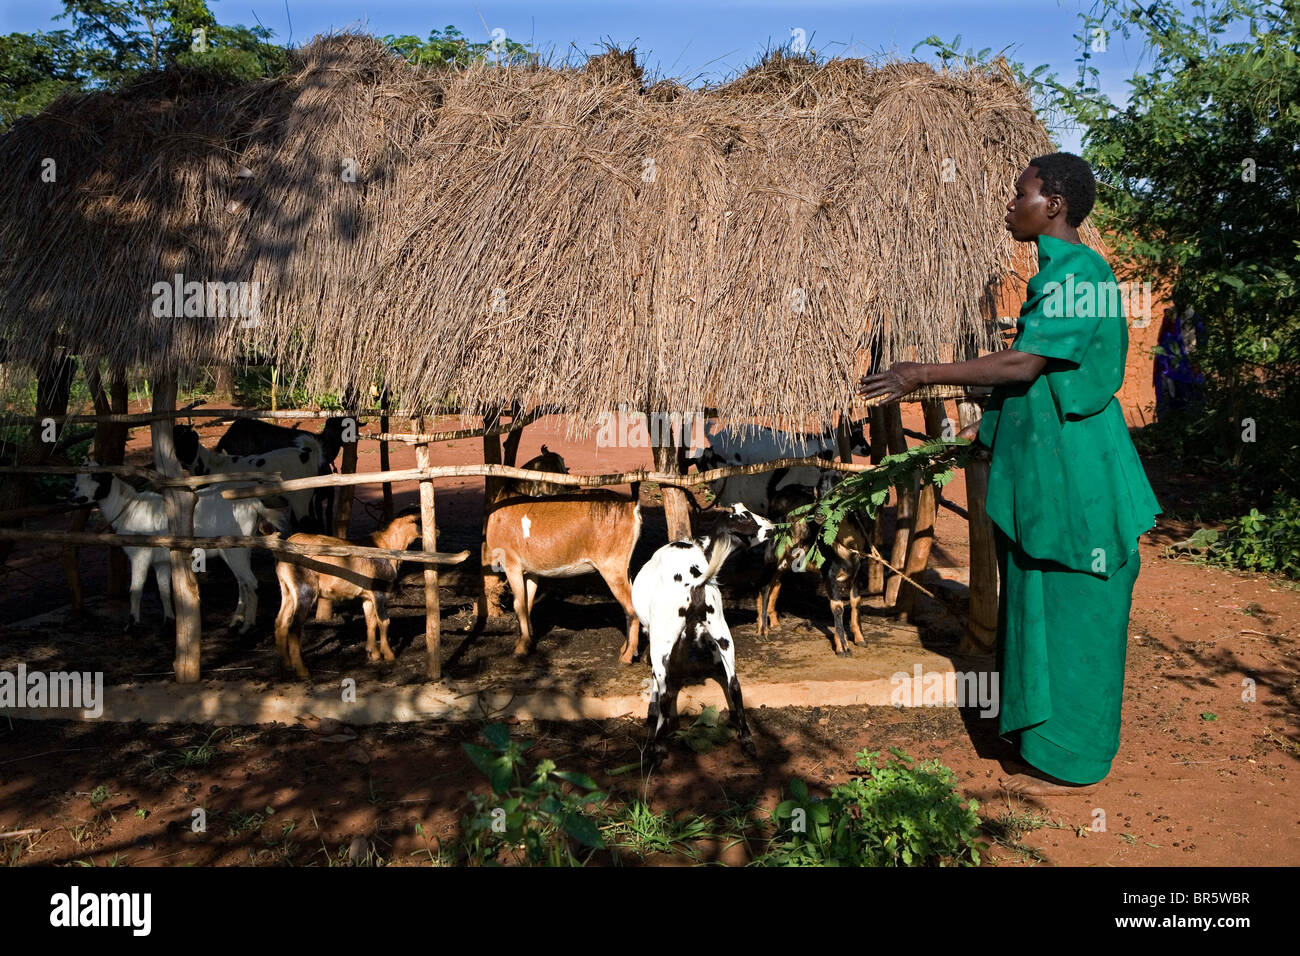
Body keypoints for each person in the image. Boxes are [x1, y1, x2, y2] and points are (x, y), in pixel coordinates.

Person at [859, 152, 1162, 795]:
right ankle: (1039, 740)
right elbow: (1040, 382)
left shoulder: (1079, 272)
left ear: (1053, 203)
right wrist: (981, 427)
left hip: (1079, 477)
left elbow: (1025, 365)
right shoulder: (1059, 273)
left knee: (1078, 603)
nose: (1009, 205)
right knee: (1037, 599)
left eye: (1019, 193)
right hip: (1049, 472)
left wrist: (920, 374)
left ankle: (1074, 754)